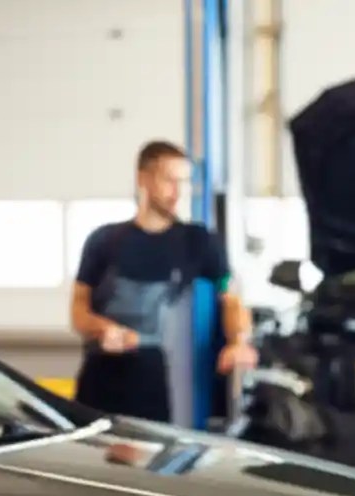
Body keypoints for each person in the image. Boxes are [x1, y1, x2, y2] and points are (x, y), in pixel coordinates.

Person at [70, 140, 258, 423]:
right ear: (143, 179)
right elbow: (78, 312)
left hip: (161, 385)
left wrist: (239, 340)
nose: (178, 192)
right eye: (169, 180)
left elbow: (230, 299)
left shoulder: (199, 242)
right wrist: (104, 328)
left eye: (184, 182)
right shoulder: (104, 241)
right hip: (100, 384)